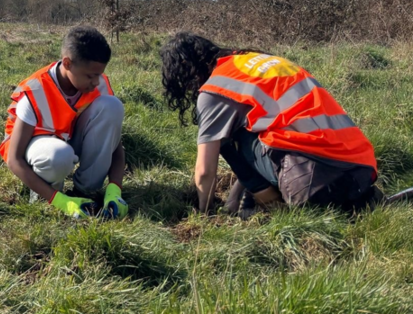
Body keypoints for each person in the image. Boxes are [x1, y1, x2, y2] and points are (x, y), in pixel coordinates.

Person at [160, 32, 380, 215]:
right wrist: (233, 200)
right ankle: (359, 201)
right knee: (250, 131)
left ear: (185, 70)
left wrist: (204, 213)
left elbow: (205, 171)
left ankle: (274, 205)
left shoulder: (215, 90)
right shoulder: (255, 63)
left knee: (226, 138)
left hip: (313, 182)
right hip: (360, 169)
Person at [0, 26, 127, 219]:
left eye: (99, 74)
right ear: (67, 63)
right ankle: (47, 196)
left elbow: (115, 146)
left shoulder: (98, 85)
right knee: (58, 155)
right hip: (38, 150)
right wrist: (60, 201)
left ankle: (86, 193)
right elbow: (14, 160)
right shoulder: (36, 91)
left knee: (113, 106)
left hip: (68, 140)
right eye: (90, 76)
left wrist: (115, 190)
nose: (96, 82)